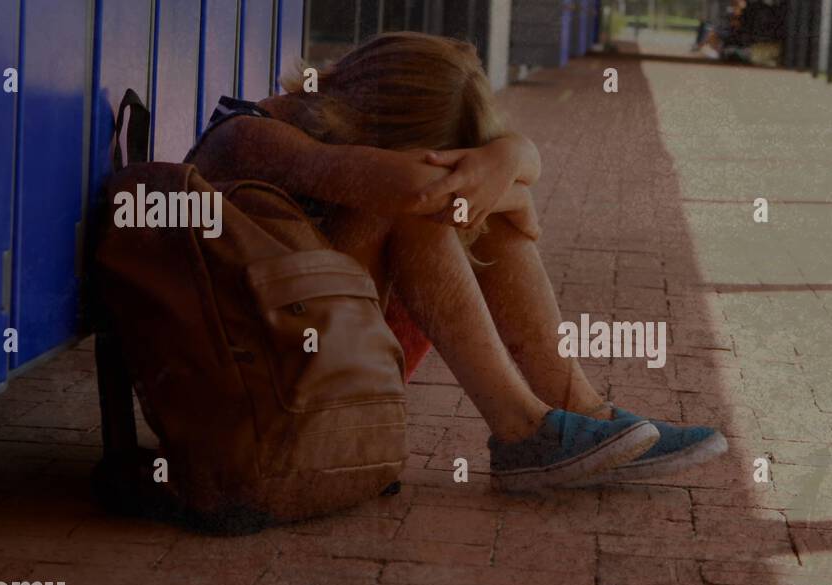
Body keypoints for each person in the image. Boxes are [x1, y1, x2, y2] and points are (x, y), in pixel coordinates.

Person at [184, 32, 727, 491]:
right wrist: (512, 178)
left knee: (466, 205)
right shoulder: (247, 135)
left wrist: (510, 157)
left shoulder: (322, 124)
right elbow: (420, 193)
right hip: (267, 385)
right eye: (432, 152)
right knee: (432, 210)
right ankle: (521, 430)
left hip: (327, 353)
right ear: (371, 124)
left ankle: (581, 409)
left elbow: (458, 183)